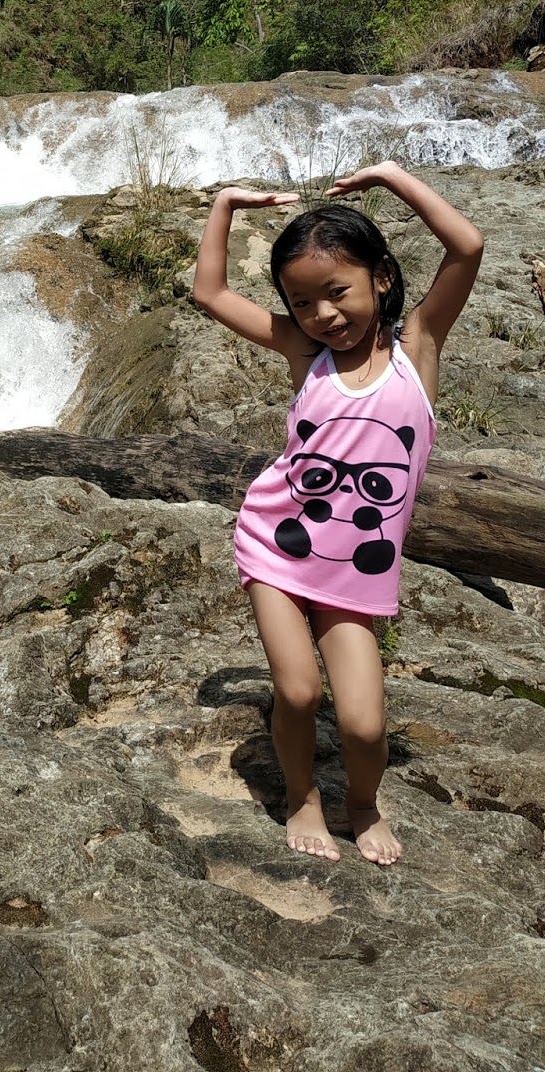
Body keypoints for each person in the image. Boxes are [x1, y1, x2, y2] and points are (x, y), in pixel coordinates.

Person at [192, 162, 483, 866]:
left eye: (336, 292)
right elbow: (210, 292)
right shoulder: (306, 354)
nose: (322, 315)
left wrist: (391, 178)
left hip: (356, 573)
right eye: (301, 302)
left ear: (380, 278)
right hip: (277, 544)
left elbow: (467, 246)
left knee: (363, 723)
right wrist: (225, 203)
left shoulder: (418, 349)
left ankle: (363, 803)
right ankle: (302, 797)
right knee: (297, 691)